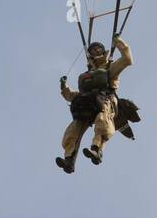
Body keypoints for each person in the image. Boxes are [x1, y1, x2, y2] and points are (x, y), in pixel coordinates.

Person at [55, 35, 137, 173]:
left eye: (98, 49)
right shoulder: (87, 75)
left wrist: (119, 43)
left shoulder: (110, 68)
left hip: (105, 100)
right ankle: (69, 159)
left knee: (102, 120)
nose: (96, 52)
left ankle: (97, 149)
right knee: (73, 129)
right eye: (93, 51)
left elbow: (127, 60)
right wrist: (64, 87)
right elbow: (73, 96)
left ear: (103, 51)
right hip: (87, 102)